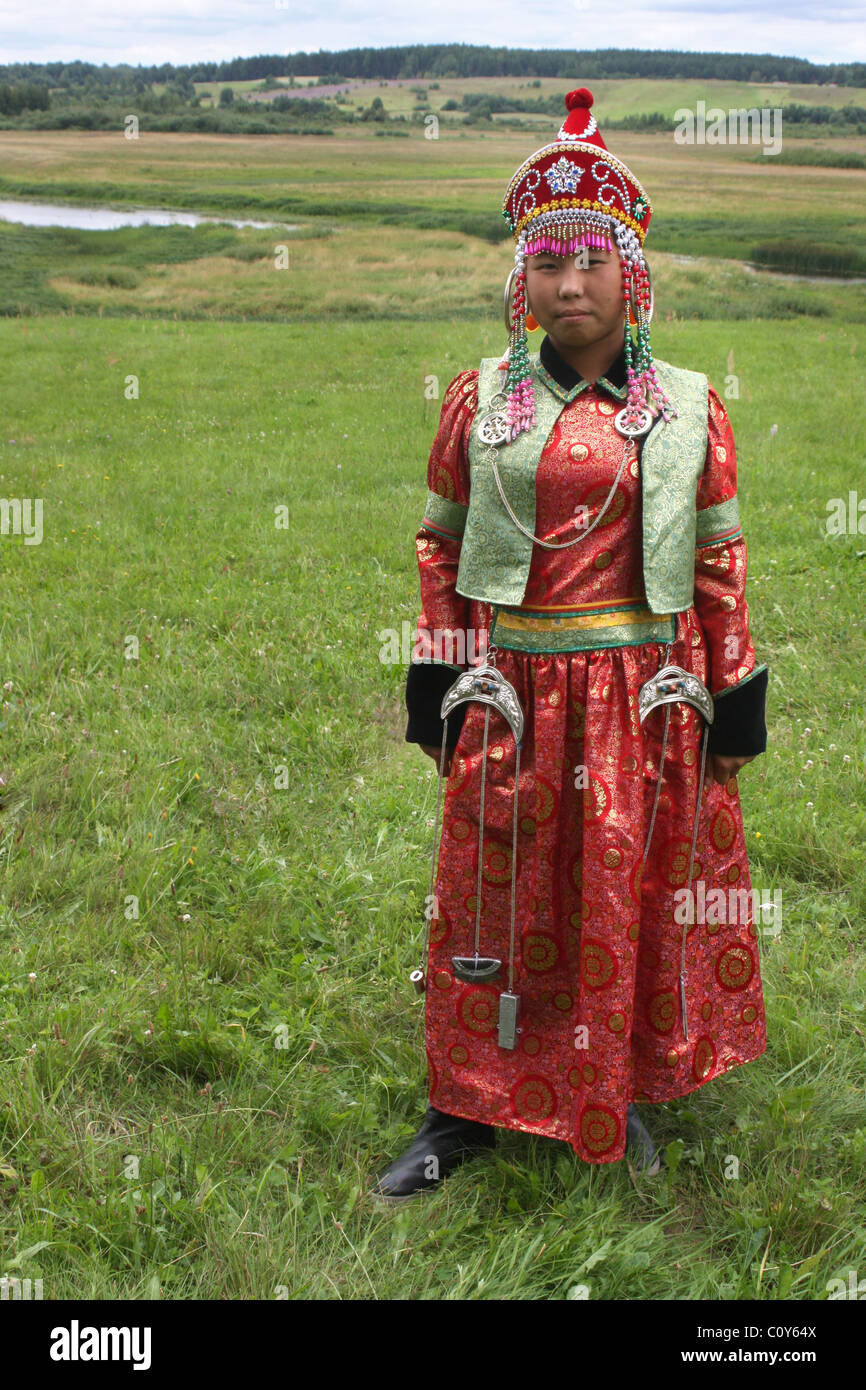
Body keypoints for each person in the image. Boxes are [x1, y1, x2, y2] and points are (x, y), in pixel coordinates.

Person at [371, 89, 769, 1202]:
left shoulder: (689, 406)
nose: (570, 284)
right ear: (522, 280)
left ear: (630, 273)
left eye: (591, 260)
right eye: (547, 263)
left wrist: (729, 704)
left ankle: (619, 1090)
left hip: (642, 693)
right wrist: (439, 683)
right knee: (495, 895)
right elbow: (437, 549)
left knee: (619, 889)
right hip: (511, 693)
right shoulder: (480, 399)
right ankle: (466, 1108)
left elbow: (717, 567)